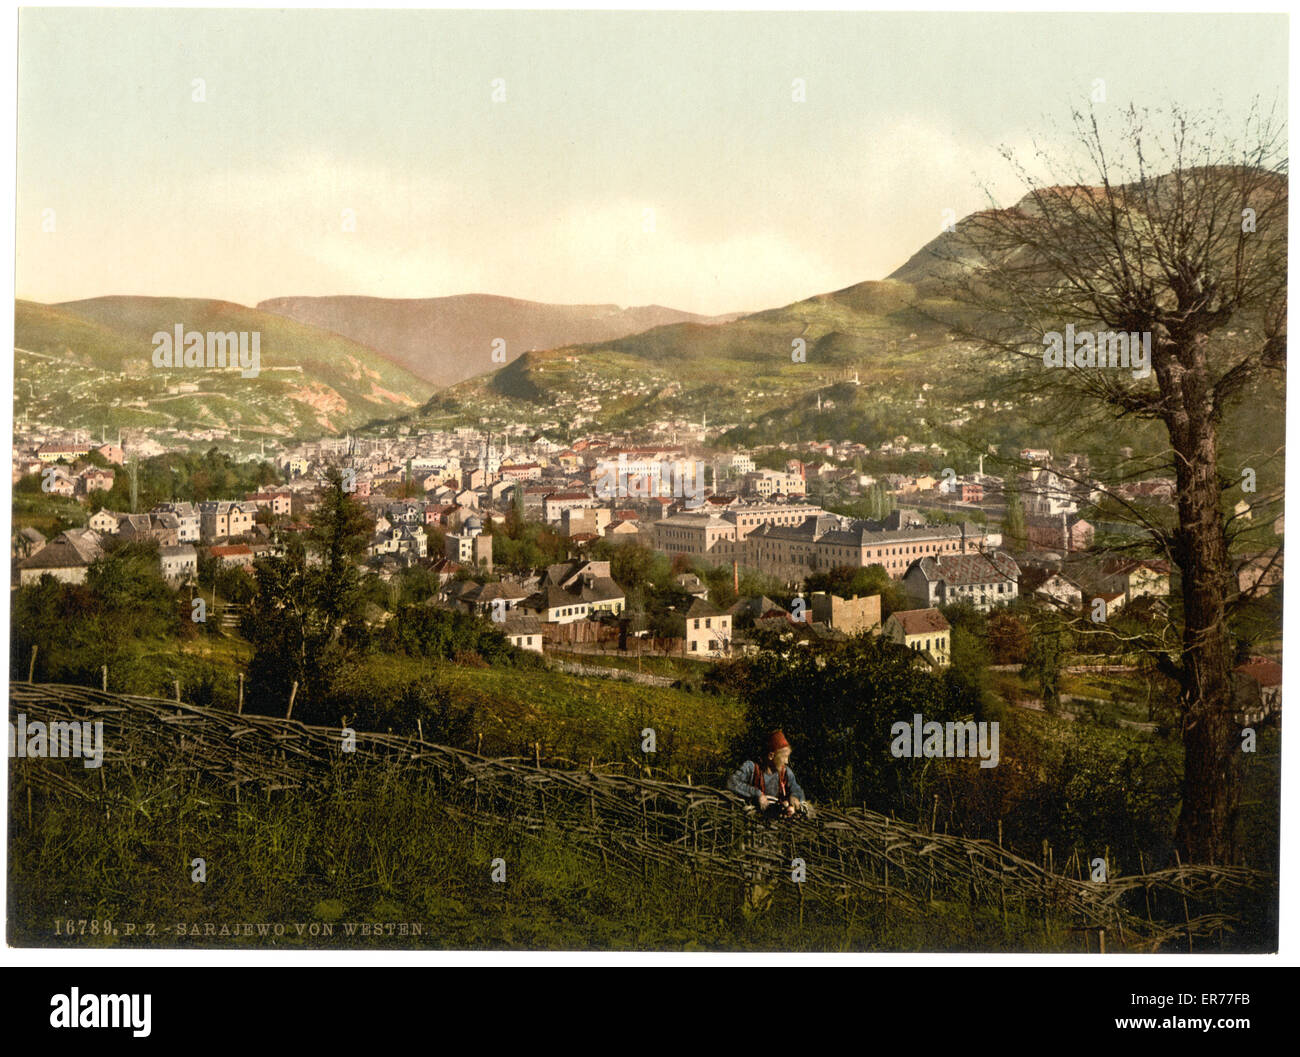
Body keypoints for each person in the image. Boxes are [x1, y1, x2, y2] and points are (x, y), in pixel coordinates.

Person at [728, 730, 808, 817]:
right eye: (784, 757)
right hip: (752, 818)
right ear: (771, 756)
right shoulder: (752, 768)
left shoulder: (785, 772)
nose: (787, 762)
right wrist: (757, 794)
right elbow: (731, 782)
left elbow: (796, 789)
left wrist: (794, 797)